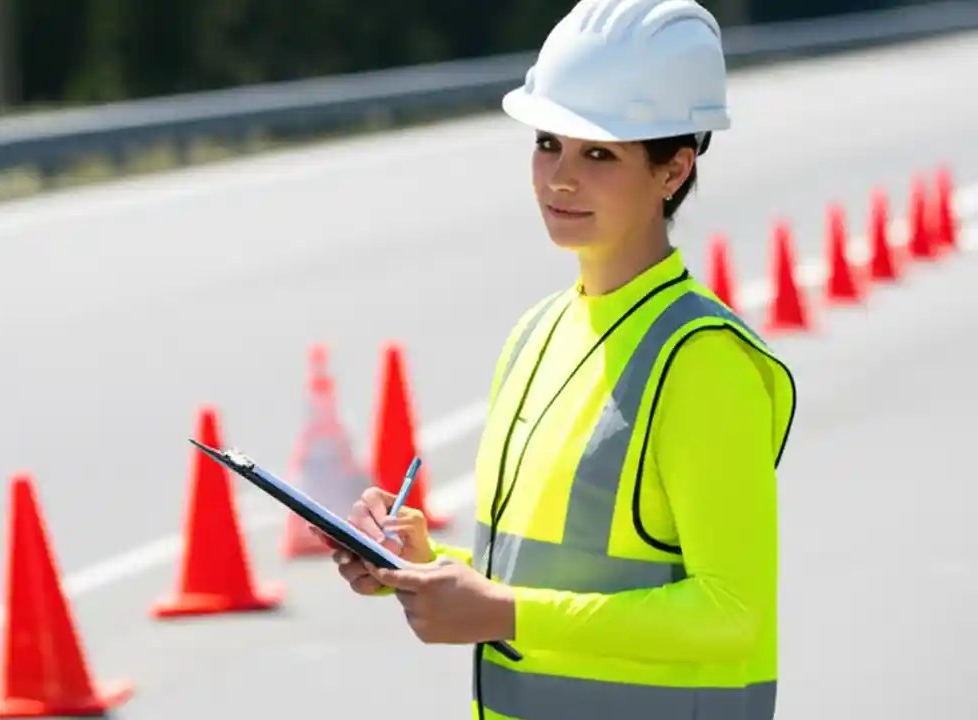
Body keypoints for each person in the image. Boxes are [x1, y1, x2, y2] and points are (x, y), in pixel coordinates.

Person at [316, 0, 798, 718]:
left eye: (598, 153)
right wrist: (425, 567)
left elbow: (732, 613)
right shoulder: (537, 334)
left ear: (675, 169)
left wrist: (503, 613)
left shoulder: (703, 364)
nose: (560, 178)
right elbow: (545, 579)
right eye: (548, 143)